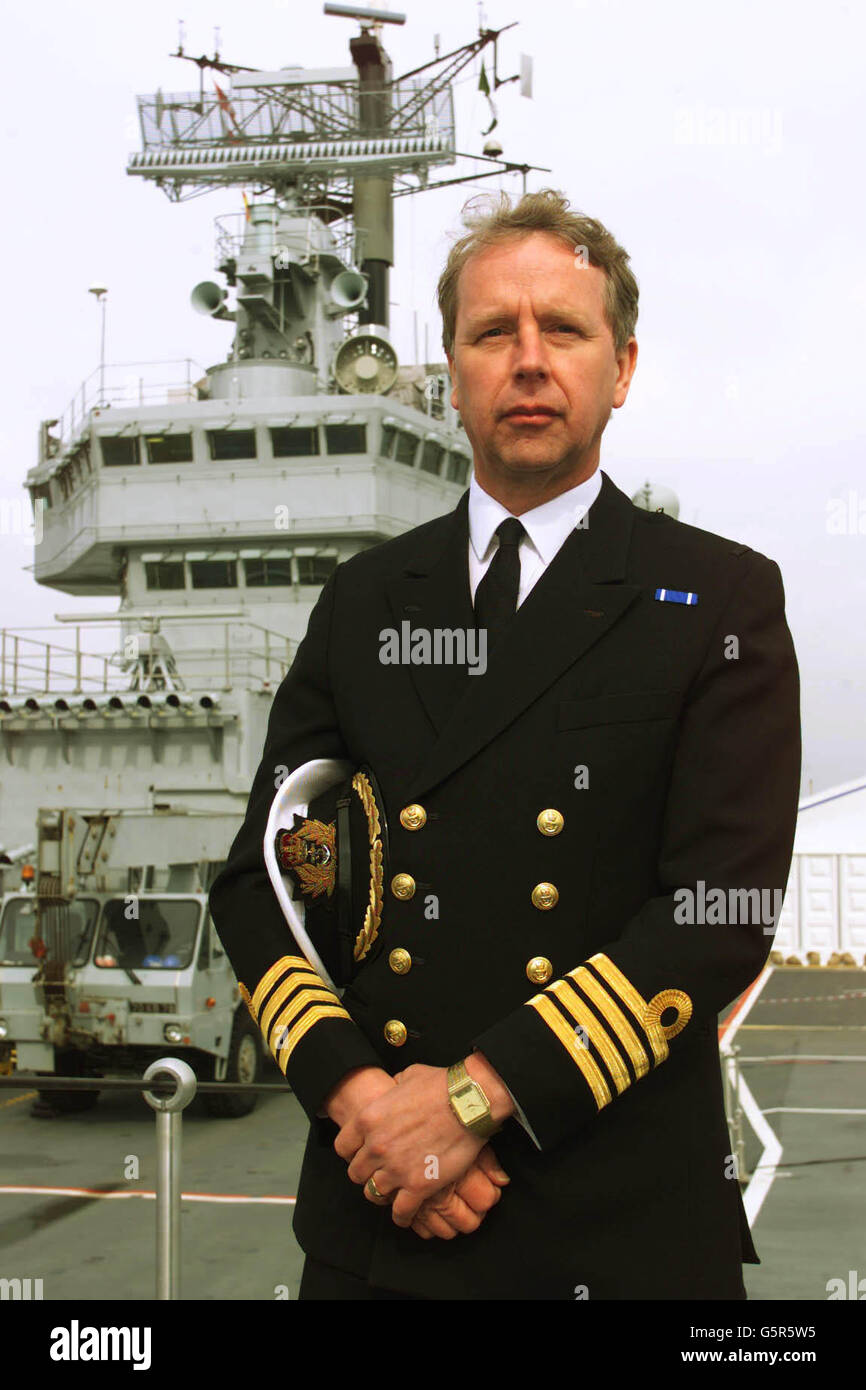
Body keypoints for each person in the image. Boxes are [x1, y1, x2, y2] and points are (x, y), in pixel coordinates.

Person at [208, 188, 801, 1300]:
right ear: (450, 373)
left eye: (561, 330)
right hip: (378, 1213)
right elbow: (264, 879)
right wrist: (367, 1108)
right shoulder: (364, 600)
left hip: (616, 1235)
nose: (527, 361)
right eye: (492, 333)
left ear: (619, 368)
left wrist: (472, 1100)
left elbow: (717, 909)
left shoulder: (716, 595)